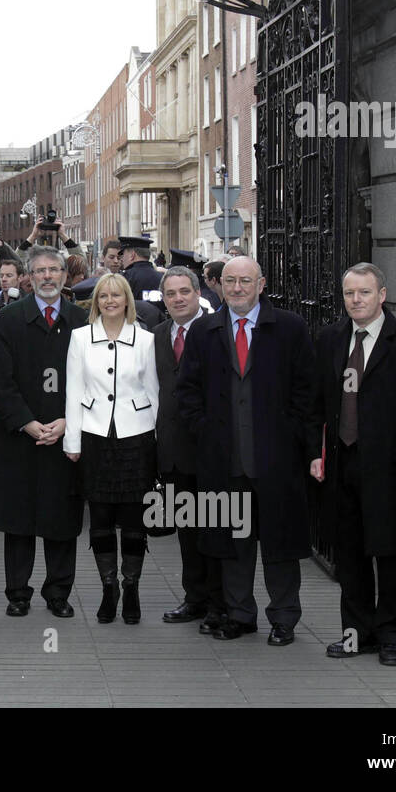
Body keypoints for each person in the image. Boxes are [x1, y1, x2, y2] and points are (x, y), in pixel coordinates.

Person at [176, 256, 320, 646]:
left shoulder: (289, 328)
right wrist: (204, 431)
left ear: (261, 284)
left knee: (280, 544)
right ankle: (240, 614)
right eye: (230, 281)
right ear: (219, 285)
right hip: (223, 460)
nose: (237, 288)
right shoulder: (205, 331)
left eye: (245, 281)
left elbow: (307, 391)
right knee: (232, 542)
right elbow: (186, 392)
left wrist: (299, 442)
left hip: (277, 460)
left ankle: (284, 617)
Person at [313, 262, 396, 667]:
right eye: (350, 293)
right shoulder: (330, 339)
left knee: (390, 553)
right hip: (342, 465)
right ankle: (357, 634)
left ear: (381, 295)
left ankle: (392, 638)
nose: (356, 300)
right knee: (349, 556)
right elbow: (318, 404)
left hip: (391, 470)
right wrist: (317, 453)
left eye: (364, 292)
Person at [0, 246, 89, 618]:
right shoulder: (11, 320)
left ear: (64, 275)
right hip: (21, 436)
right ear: (29, 277)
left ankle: (58, 593)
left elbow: (91, 379)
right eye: (40, 271)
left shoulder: (81, 320)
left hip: (67, 434)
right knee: (19, 520)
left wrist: (67, 421)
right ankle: (18, 593)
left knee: (62, 517)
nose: (48, 276)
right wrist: (27, 422)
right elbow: (1, 379)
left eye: (54, 270)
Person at [63, 273, 159, 624]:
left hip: (137, 437)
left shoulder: (146, 340)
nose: (110, 301)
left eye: (117, 295)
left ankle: (131, 587)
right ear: (96, 301)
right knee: (100, 519)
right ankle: (109, 588)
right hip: (94, 435)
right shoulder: (80, 338)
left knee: (135, 520)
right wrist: (72, 441)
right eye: (104, 296)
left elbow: (155, 392)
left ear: (127, 300)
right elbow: (73, 392)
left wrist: (159, 440)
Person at [153, 266, 224, 632]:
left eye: (185, 291)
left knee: (215, 526)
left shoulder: (216, 331)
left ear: (198, 294)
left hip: (211, 450)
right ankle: (194, 597)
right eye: (171, 293)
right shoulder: (158, 335)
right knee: (188, 529)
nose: (178, 298)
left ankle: (219, 602)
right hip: (174, 450)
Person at [117, 235, 164, 303]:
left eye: (123, 254)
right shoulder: (162, 278)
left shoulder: (125, 278)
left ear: (132, 255)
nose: (122, 259)